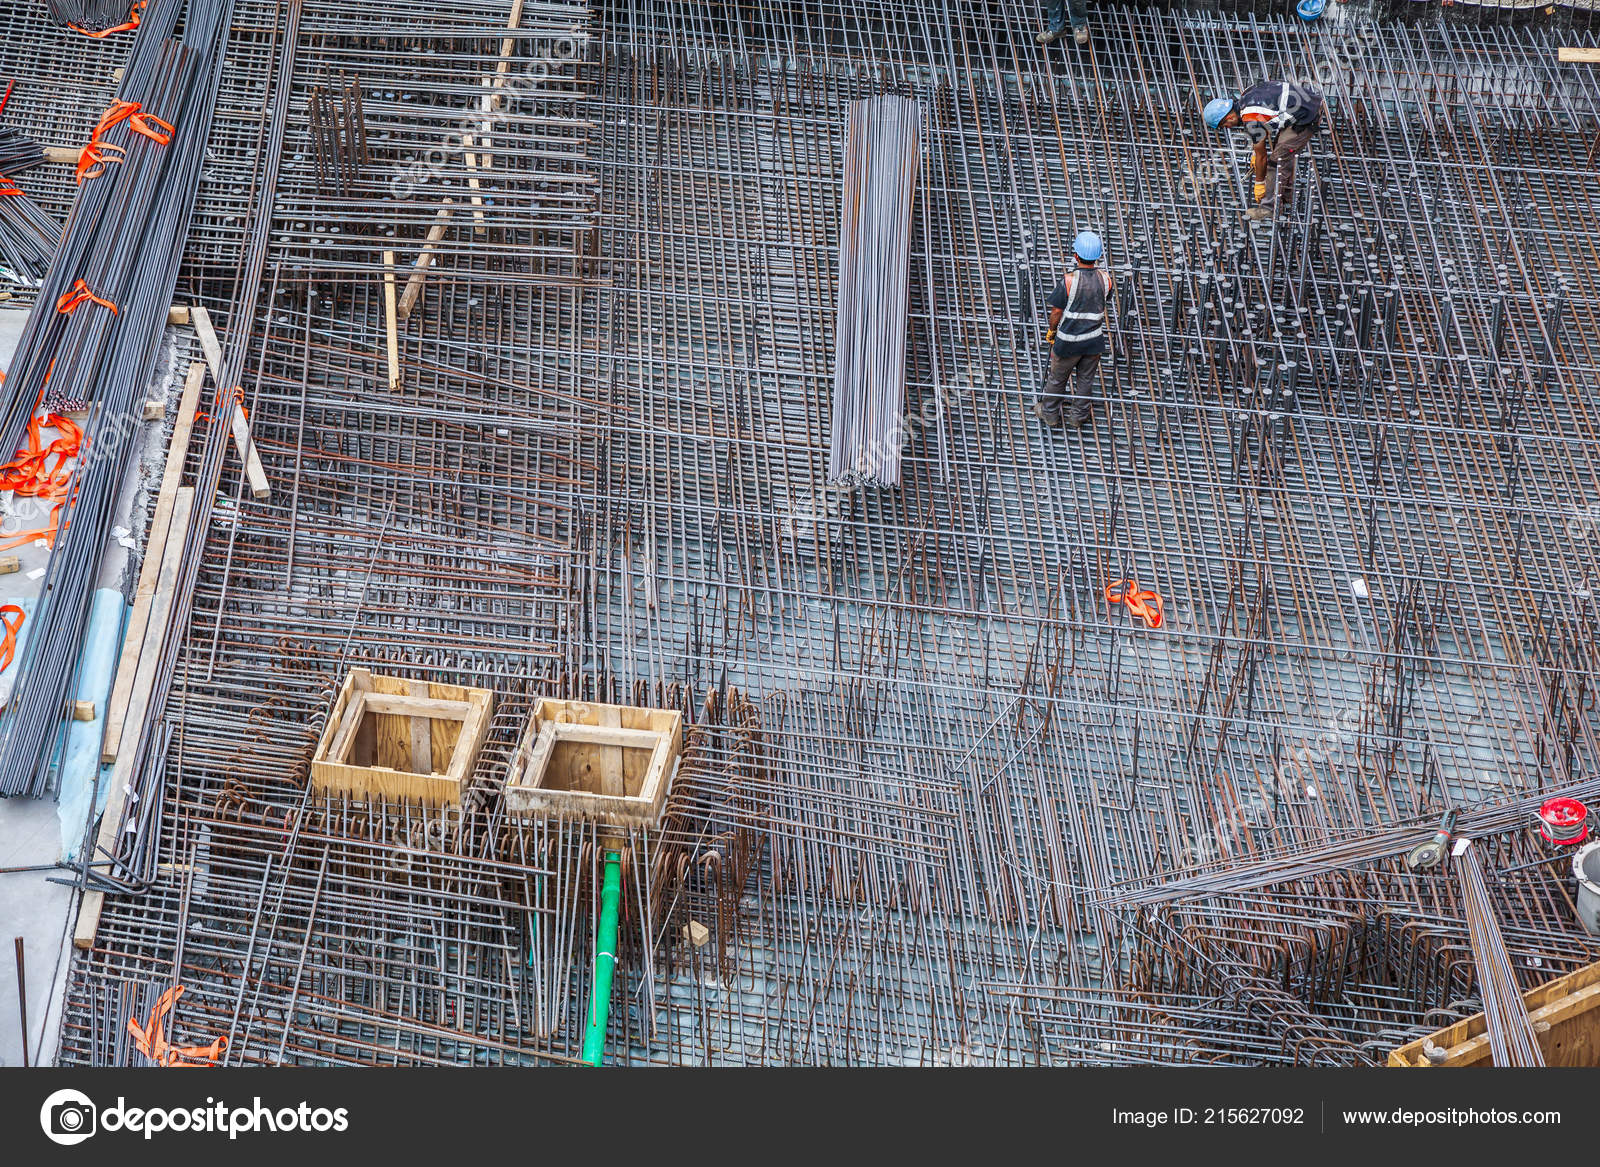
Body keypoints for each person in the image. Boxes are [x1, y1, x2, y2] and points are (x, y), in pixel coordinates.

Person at [1203, 80, 1324, 221]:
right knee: (1282, 153)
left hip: (1306, 116)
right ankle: (1287, 196)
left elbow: (1263, 157)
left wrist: (1259, 183)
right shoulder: (1246, 96)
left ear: (1229, 117)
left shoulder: (1250, 118)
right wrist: (1255, 152)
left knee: (1276, 162)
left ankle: (1269, 209)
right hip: (1304, 104)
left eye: (1224, 125)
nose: (1227, 128)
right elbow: (1265, 124)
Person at [1035, 231, 1110, 430]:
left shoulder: (1069, 281)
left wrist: (1052, 331)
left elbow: (1056, 311)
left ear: (1076, 255)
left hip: (1068, 342)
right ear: (1098, 256)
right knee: (1086, 379)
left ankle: (1050, 414)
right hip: (1094, 341)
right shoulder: (1106, 279)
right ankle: (1078, 417)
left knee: (1058, 378)